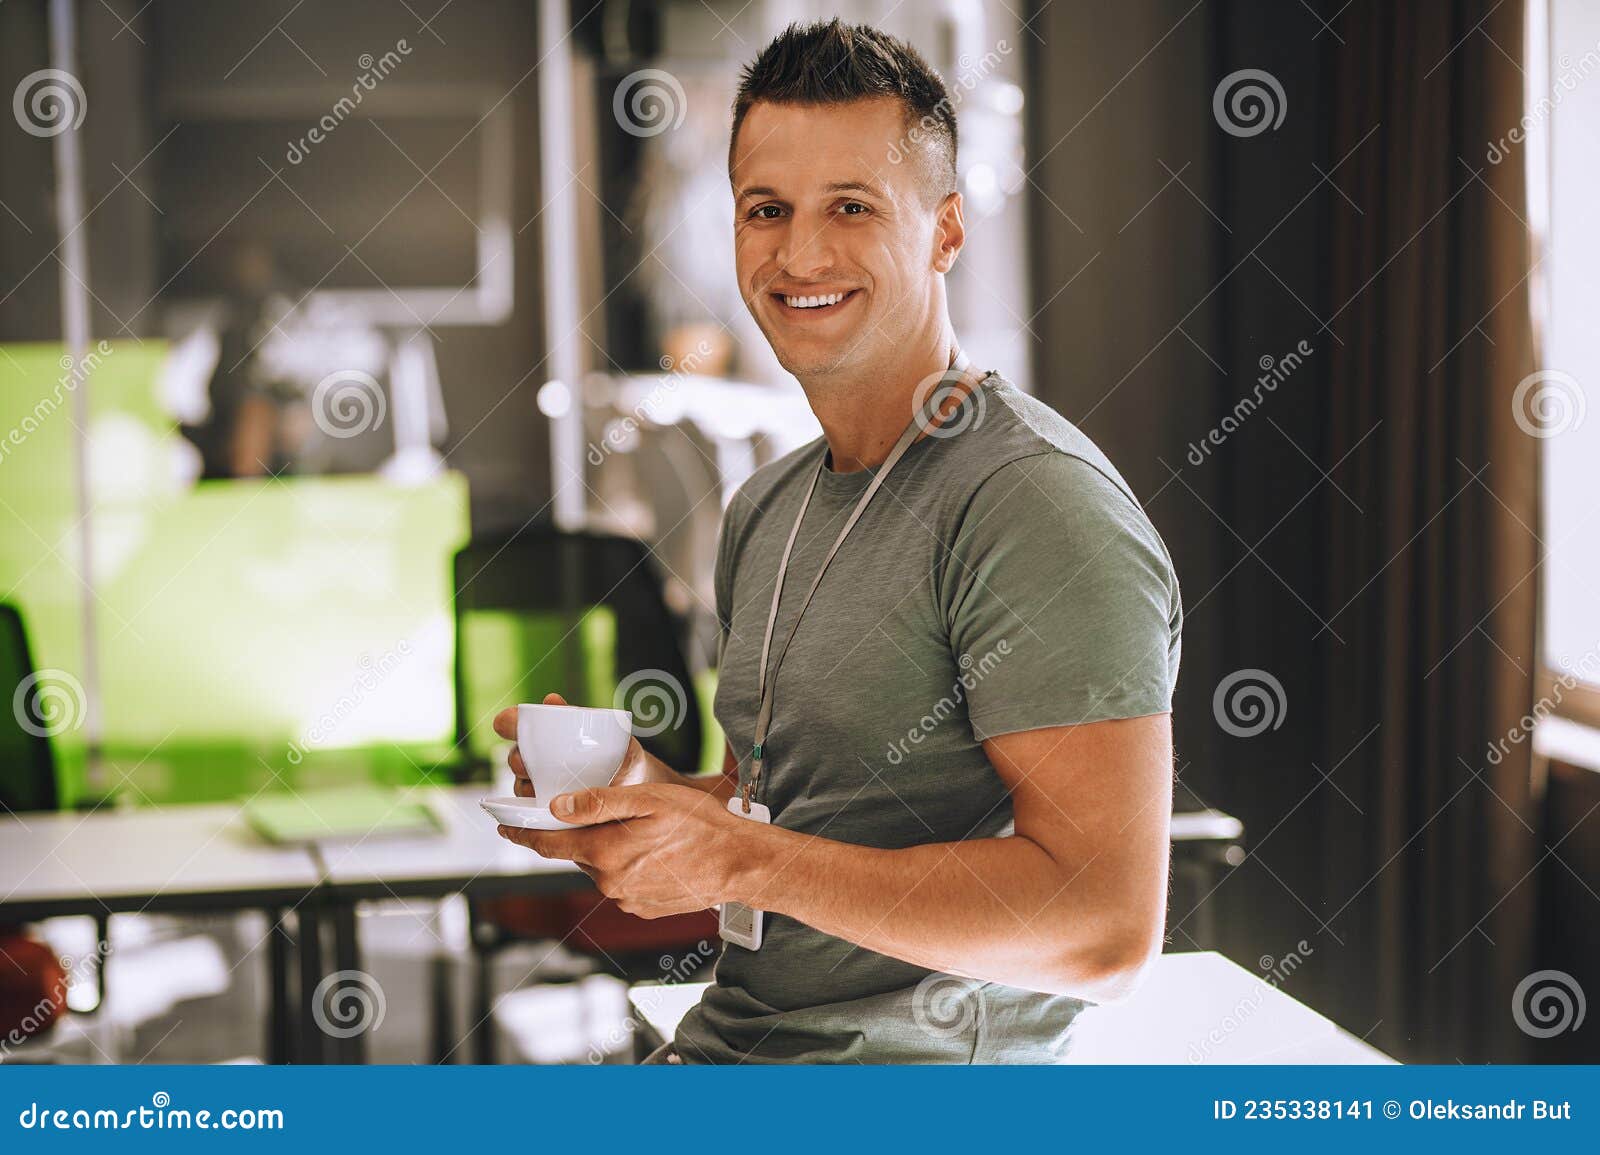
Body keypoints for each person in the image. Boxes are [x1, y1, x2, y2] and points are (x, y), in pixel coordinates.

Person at [494, 19, 1182, 1063]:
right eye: (765, 210)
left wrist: (744, 863)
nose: (799, 253)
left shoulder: (1033, 506)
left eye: (850, 208)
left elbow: (1102, 933)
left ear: (946, 232)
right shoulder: (766, 509)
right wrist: (658, 802)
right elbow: (800, 816)